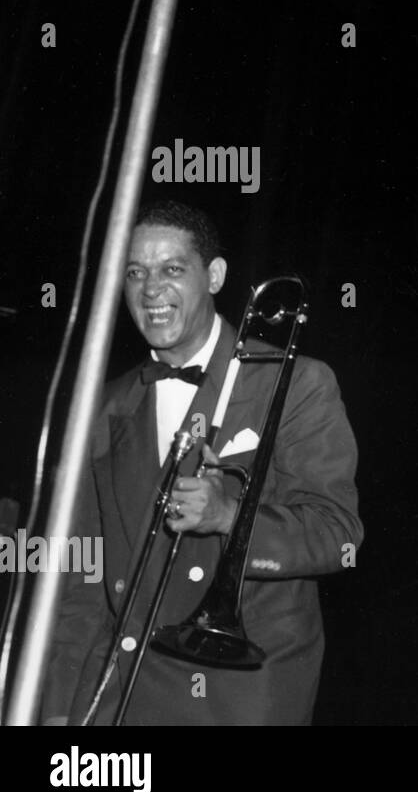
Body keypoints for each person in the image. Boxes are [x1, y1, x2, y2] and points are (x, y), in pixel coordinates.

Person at [43, 200, 362, 724]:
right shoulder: (102, 405)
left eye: (172, 269)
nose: (151, 289)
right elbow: (82, 578)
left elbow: (339, 536)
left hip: (238, 696)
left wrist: (228, 515)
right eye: (135, 272)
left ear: (213, 276)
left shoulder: (297, 381)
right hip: (125, 690)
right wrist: (60, 709)